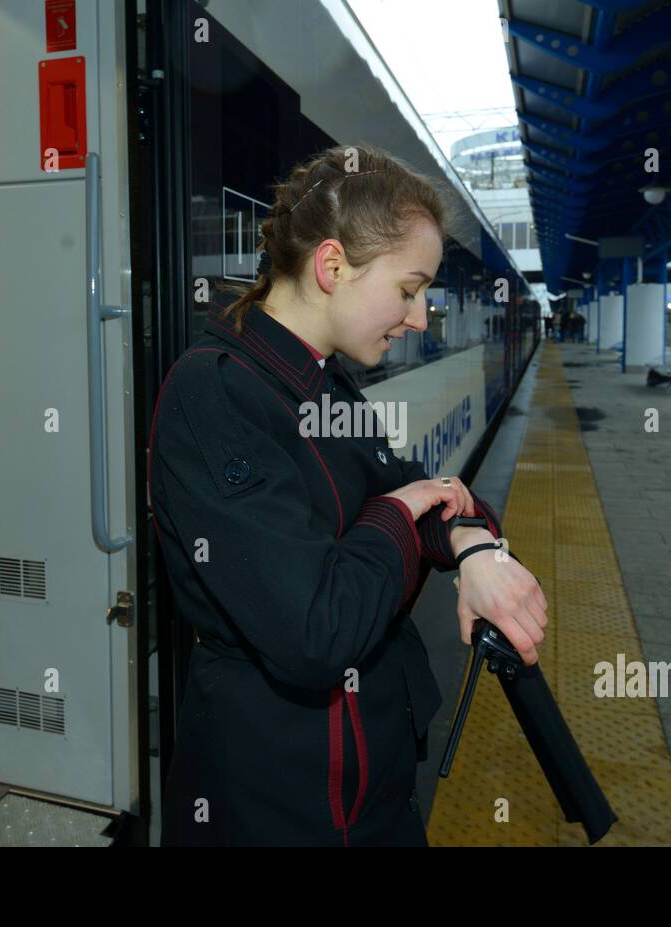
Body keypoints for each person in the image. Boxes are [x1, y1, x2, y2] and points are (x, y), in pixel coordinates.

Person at [148, 144, 548, 846]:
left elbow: (430, 494)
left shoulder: (323, 383)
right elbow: (317, 630)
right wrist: (396, 514)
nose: (421, 317)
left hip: (367, 793)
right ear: (332, 267)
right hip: (278, 808)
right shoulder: (214, 394)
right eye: (408, 289)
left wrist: (475, 544)